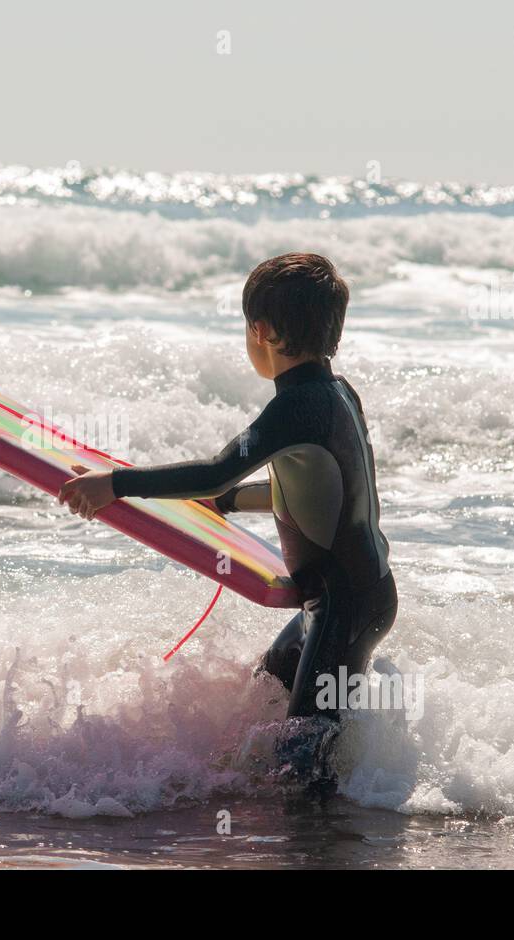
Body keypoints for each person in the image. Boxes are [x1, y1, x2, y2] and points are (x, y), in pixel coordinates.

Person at [58, 253, 397, 720]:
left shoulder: (296, 405)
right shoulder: (337, 392)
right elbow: (315, 495)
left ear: (259, 331)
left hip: (343, 605)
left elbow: (218, 468)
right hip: (363, 592)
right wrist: (226, 503)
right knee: (267, 691)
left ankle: (329, 794)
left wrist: (116, 484)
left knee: (305, 748)